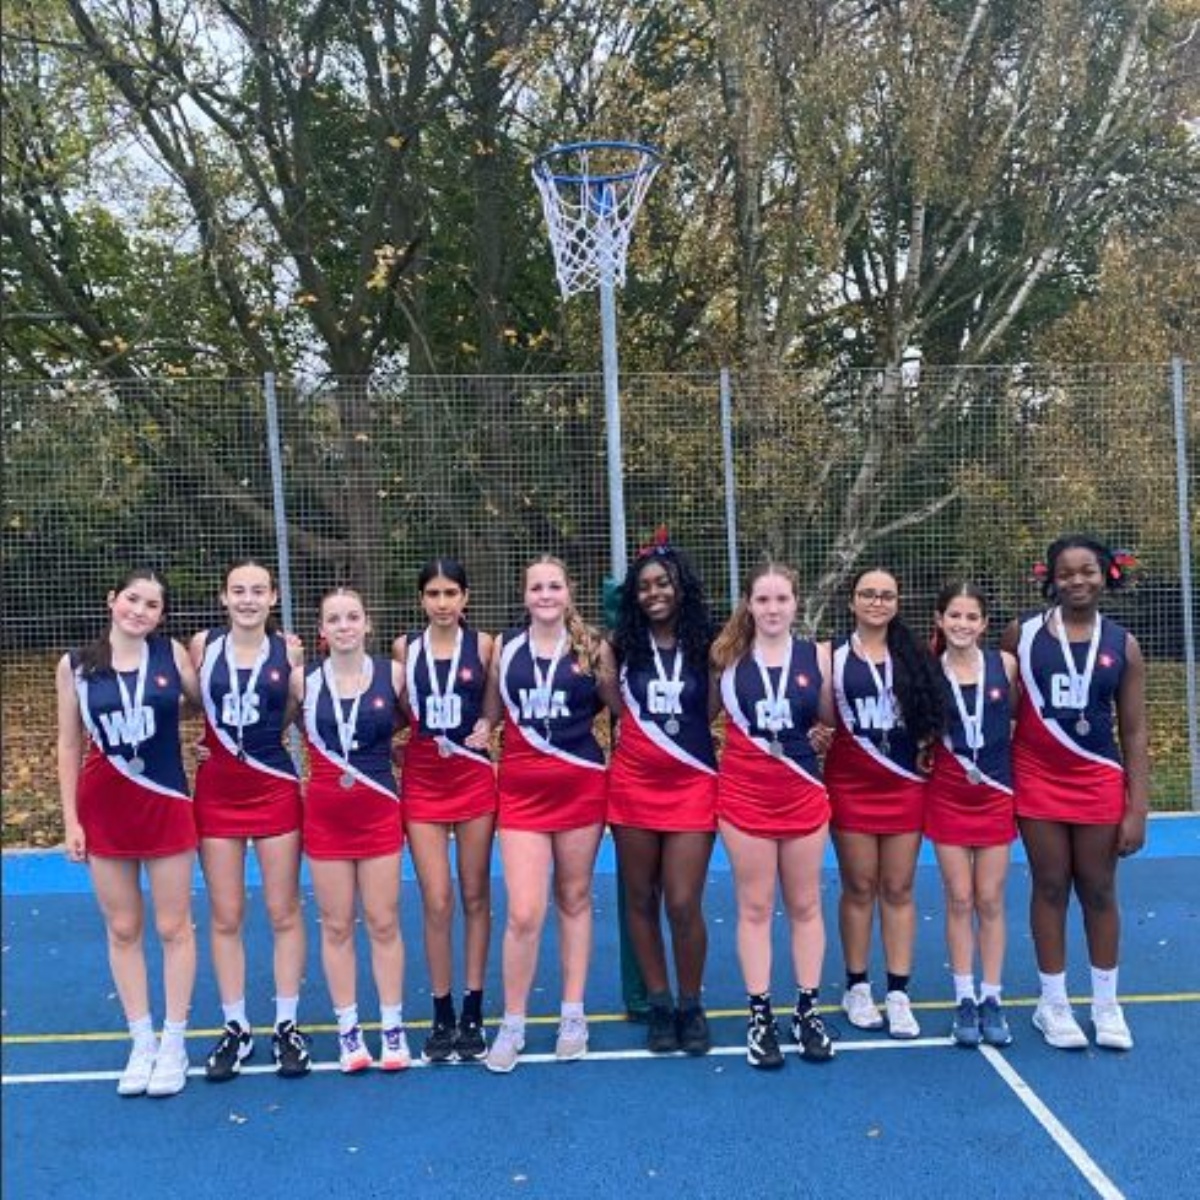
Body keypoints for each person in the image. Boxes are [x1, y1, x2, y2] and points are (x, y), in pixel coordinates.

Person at [55, 567, 202, 1097]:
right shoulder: (76, 666)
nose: (140, 611)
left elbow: (210, 704)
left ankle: (175, 1041)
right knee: (122, 928)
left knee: (173, 926)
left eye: (152, 605)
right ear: (112, 599)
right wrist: (71, 819)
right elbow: (69, 744)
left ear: (162, 615)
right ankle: (141, 1039)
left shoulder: (173, 656)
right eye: (132, 600)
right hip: (105, 807)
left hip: (165, 801)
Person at [1002, 536, 1149, 1051]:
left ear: (1105, 574)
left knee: (1099, 887)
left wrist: (1138, 807)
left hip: (1097, 778)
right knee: (1049, 883)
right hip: (1037, 774)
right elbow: (992, 701)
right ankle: (1053, 1003)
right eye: (1066, 574)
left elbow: (1134, 732)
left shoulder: (1122, 644)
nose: (1077, 581)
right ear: (1052, 579)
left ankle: (1106, 1004)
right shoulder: (1021, 635)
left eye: (1087, 571)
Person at [483, 555, 618, 1073]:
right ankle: (513, 1023)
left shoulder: (590, 647)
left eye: (554, 586)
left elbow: (619, 707)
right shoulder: (506, 648)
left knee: (575, 897)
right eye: (536, 587)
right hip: (520, 792)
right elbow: (493, 711)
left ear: (568, 592)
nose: (545, 594)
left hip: (581, 785)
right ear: (524, 596)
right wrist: (475, 730)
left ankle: (572, 1014)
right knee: (523, 911)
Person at [711, 562, 837, 1069]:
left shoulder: (817, 658)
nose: (772, 609)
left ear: (795, 603)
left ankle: (807, 1009)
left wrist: (822, 736)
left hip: (803, 792)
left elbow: (828, 719)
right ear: (749, 605)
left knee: (806, 905)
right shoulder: (727, 661)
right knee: (755, 908)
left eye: (781, 599)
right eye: (762, 600)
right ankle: (759, 1014)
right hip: (745, 795)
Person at [190, 560, 310, 1081]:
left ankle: (287, 1023)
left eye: (257, 590)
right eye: (238, 590)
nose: (247, 599)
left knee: (283, 911)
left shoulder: (291, 650)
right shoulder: (203, 646)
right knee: (226, 915)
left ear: (273, 597)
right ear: (223, 597)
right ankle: (235, 1026)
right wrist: (204, 746)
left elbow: (287, 711)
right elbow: (194, 705)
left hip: (274, 784)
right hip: (217, 791)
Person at [607, 534, 718, 1055]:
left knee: (682, 900)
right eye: (644, 586)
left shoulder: (709, 646)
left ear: (681, 587)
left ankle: (692, 1002)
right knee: (640, 897)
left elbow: (721, 710)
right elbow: (608, 704)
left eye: (663, 583)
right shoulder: (619, 646)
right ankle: (660, 1003)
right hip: (632, 785)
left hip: (694, 781)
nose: (654, 593)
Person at [825, 567, 944, 1038]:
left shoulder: (915, 656)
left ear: (897, 602)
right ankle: (856, 986)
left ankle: (897, 991)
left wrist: (927, 741)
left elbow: (935, 711)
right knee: (859, 885)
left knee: (897, 888)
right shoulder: (828, 657)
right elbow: (817, 713)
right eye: (867, 594)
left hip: (902, 784)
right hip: (850, 785)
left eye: (886, 595)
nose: (877, 602)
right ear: (852, 601)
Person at [297, 587, 408, 1073]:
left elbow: (422, 728)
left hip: (379, 807)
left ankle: (392, 1026)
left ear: (367, 624)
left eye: (352, 617)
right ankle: (348, 1031)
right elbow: (253, 728)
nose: (344, 626)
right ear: (322, 631)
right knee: (337, 924)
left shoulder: (395, 676)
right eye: (334, 619)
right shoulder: (303, 683)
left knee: (383, 921)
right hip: (325, 813)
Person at [392, 558, 496, 1064]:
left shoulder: (484, 646)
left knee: (475, 893)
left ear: (465, 597)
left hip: (472, 777)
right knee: (437, 899)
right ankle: (441, 1010)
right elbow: (385, 712)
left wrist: (490, 730)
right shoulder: (402, 650)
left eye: (451, 592)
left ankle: (474, 1008)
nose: (442, 602)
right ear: (421, 600)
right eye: (432, 593)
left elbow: (498, 705)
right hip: (424, 781)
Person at [927, 582, 1018, 1048]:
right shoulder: (927, 673)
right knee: (959, 897)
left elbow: (1018, 721)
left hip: (996, 792)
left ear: (984, 624)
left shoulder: (1005, 666)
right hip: (947, 795)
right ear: (940, 620)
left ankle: (992, 996)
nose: (962, 624)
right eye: (954, 616)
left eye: (971, 617)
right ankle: (963, 994)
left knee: (989, 898)